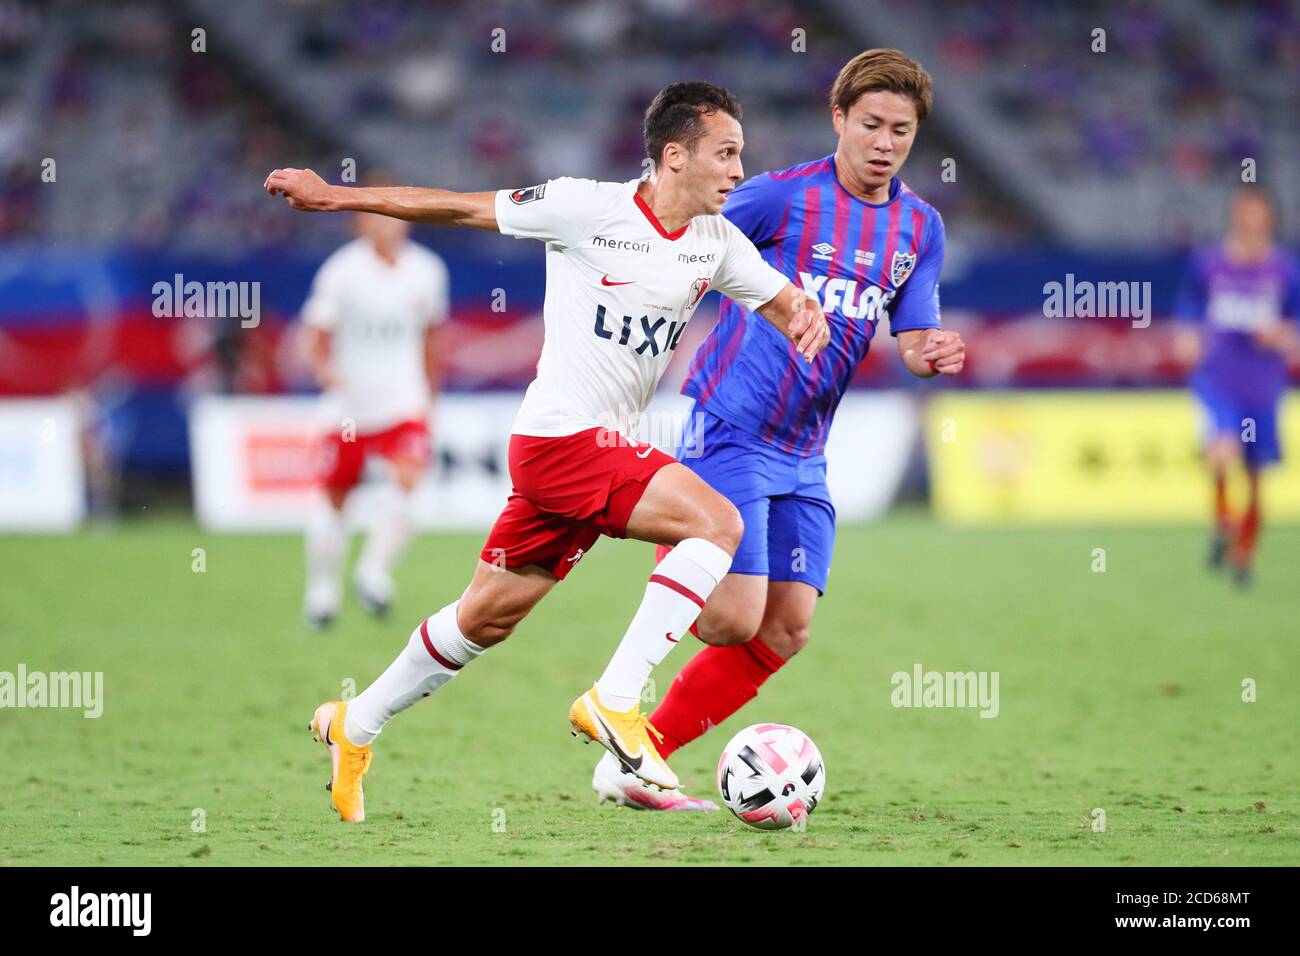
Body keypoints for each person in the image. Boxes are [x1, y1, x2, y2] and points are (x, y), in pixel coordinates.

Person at [265, 81, 830, 822]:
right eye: (724, 154)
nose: (736, 170)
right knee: (716, 525)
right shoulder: (585, 208)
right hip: (562, 439)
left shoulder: (715, 242)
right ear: (674, 155)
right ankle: (617, 701)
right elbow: (460, 205)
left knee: (484, 619)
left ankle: (355, 723)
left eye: (740, 156)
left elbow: (783, 299)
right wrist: (336, 197)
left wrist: (803, 316)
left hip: (594, 456)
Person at [589, 50, 966, 811]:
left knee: (787, 628)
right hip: (731, 425)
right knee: (731, 619)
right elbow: (683, 231)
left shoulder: (920, 228)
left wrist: (935, 354)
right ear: (839, 119)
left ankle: (637, 759)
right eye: (870, 124)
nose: (884, 142)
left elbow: (914, 338)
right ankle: (679, 528)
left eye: (901, 129)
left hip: (806, 451)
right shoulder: (781, 199)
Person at [300, 187, 449, 627]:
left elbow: (432, 338)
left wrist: (431, 394)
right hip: (349, 405)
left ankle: (372, 572)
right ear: (360, 222)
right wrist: (325, 369)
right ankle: (322, 593)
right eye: (376, 216)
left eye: (394, 215)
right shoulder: (342, 271)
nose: (387, 224)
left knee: (407, 483)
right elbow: (313, 335)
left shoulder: (427, 270)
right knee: (335, 499)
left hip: (404, 399)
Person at [1175, 187, 1299, 587]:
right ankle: (1222, 519)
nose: (1250, 221)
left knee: (1256, 473)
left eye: (1257, 214)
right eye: (1244, 213)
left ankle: (1244, 554)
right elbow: (1190, 308)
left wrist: (1280, 335)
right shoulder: (1210, 265)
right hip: (1219, 376)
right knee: (1221, 450)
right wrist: (1188, 337)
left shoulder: (1284, 271)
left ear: (1269, 220)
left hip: (1261, 382)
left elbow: (1293, 325)